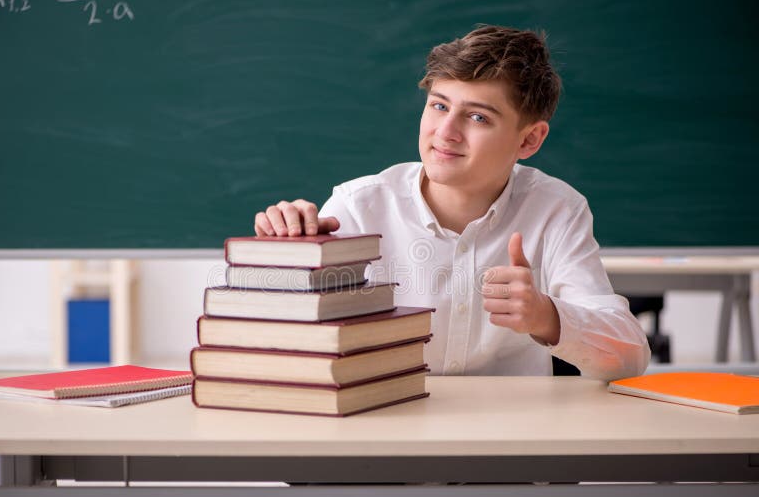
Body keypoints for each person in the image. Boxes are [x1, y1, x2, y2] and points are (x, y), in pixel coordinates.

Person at [253, 25, 649, 381]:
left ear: (529, 140)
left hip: (512, 438)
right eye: (439, 106)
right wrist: (288, 255)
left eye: (477, 118)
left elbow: (631, 357)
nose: (446, 133)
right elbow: (281, 342)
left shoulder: (556, 209)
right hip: (384, 426)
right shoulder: (359, 207)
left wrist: (547, 317)